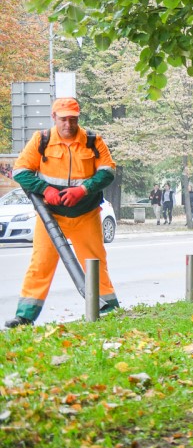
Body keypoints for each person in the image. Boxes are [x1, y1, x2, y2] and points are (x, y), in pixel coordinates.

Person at [5, 97, 120, 327]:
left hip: (85, 214)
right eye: (64, 119)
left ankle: (108, 309)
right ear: (54, 118)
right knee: (41, 263)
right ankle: (25, 315)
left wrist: (83, 189)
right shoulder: (42, 140)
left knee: (95, 261)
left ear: (78, 118)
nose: (68, 124)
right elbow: (20, 171)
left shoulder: (92, 141)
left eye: (73, 119)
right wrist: (45, 189)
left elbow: (108, 172)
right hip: (51, 216)